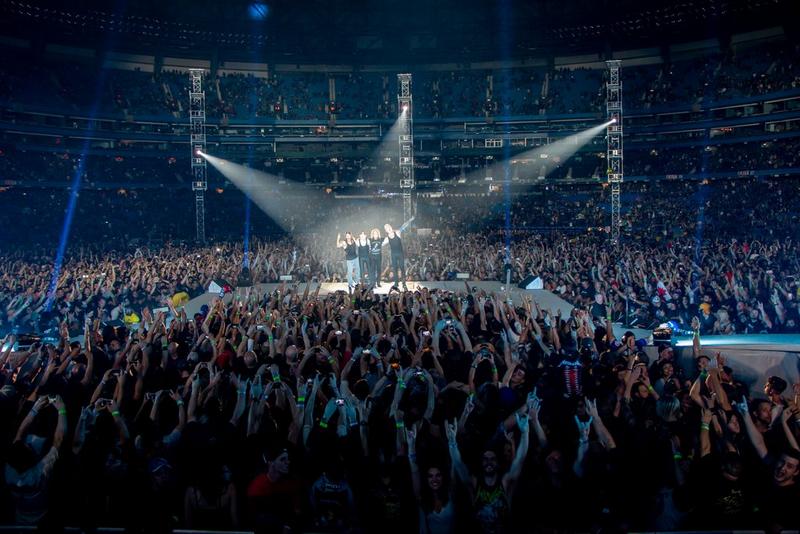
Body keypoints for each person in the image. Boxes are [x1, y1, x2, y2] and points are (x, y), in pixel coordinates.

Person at [383, 223, 406, 290]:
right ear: (386, 231)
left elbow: (403, 226)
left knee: (402, 268)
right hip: (393, 255)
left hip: (400, 254)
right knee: (395, 268)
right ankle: (396, 283)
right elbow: (380, 244)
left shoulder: (397, 232)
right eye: (386, 228)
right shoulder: (387, 238)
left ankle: (404, 282)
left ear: (391, 227)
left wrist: (410, 220)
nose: (388, 228)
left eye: (389, 227)